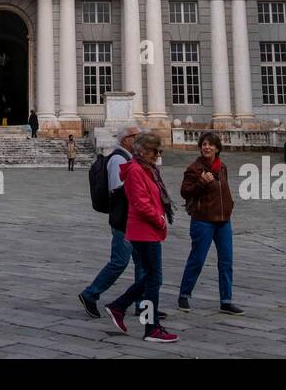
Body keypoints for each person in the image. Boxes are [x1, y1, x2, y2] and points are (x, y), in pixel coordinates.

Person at [103, 131, 178, 343]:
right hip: (143, 230)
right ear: (142, 151)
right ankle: (150, 327)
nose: (158, 154)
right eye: (156, 151)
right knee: (153, 279)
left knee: (151, 278)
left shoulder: (148, 169)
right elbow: (141, 203)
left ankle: (121, 308)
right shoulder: (136, 170)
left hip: (149, 230)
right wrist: (160, 219)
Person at [177, 132, 243, 315]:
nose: (207, 147)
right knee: (197, 259)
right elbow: (185, 192)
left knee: (226, 261)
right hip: (203, 221)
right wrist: (201, 182)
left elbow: (224, 190)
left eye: (210, 145)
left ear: (217, 148)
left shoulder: (222, 167)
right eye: (204, 144)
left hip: (223, 221)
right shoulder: (194, 168)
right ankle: (184, 294)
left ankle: (226, 300)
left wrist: (229, 206)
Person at [78, 125, 139, 318]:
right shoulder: (118, 159)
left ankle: (143, 302)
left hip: (137, 221)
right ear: (126, 140)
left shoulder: (130, 158)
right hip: (124, 220)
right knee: (119, 261)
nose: (138, 141)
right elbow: (117, 191)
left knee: (144, 264)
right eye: (135, 137)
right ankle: (90, 293)